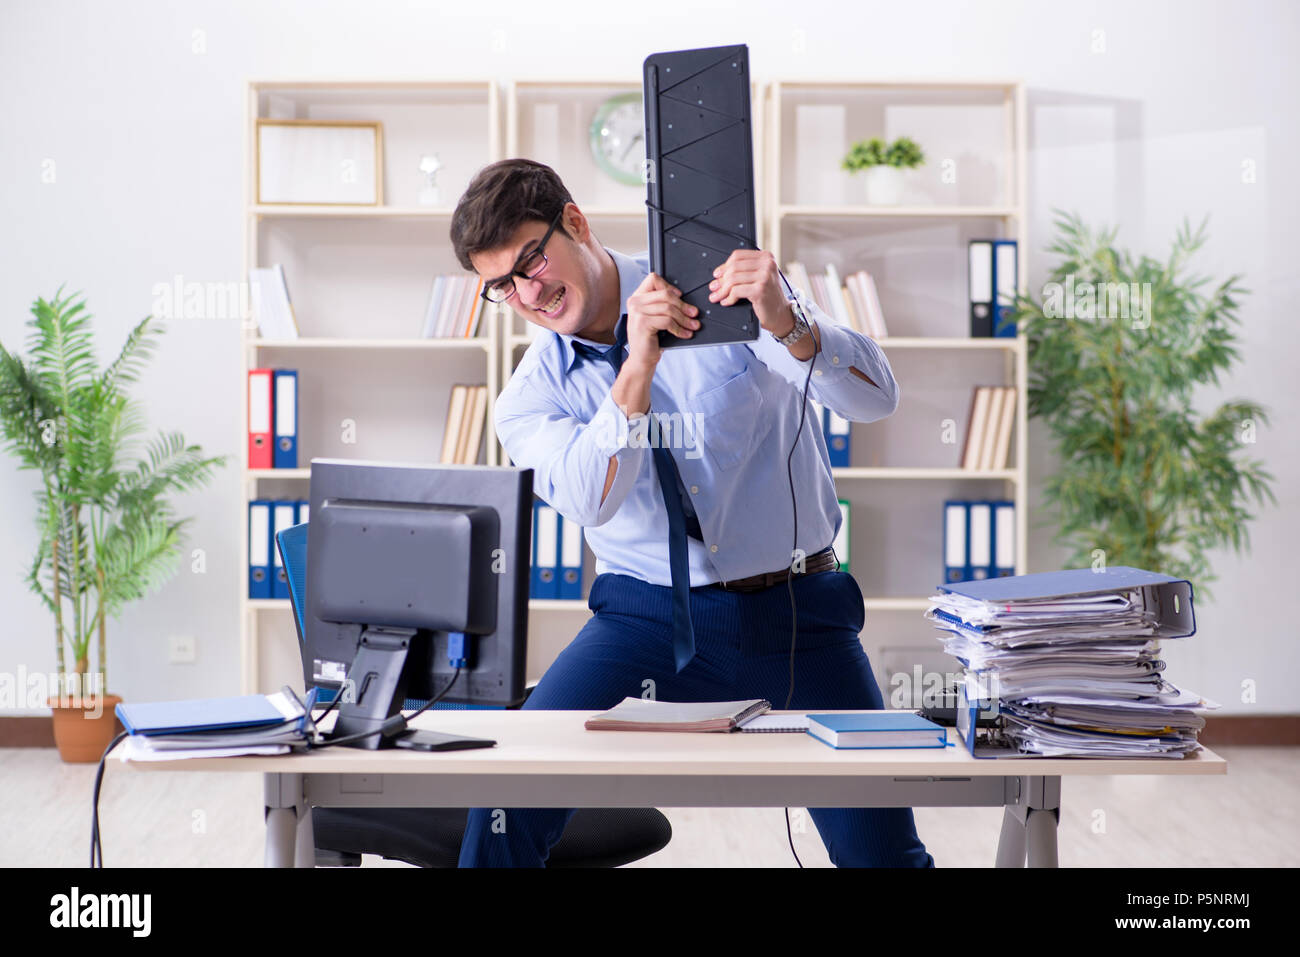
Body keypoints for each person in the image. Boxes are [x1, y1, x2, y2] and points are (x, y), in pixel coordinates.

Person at [449, 158, 934, 868]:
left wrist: (788, 320)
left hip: (801, 616)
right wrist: (637, 366)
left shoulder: (725, 287)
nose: (529, 293)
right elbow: (592, 499)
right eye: (503, 285)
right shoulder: (529, 396)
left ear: (575, 223)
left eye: (532, 260)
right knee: (503, 811)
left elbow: (876, 398)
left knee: (884, 856)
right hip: (645, 623)